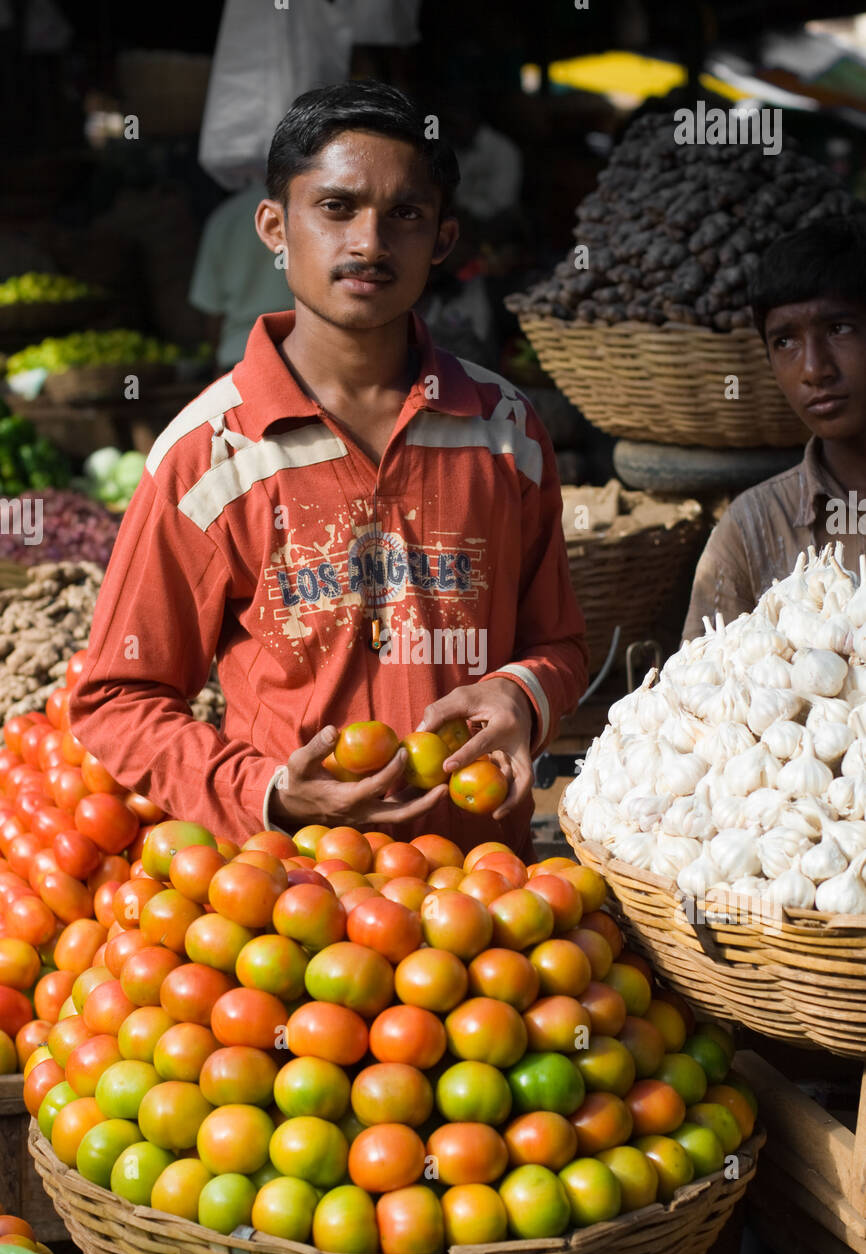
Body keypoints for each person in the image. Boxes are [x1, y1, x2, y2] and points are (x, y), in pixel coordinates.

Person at [68, 80, 588, 857]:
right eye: (337, 208)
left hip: (489, 906)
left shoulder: (503, 433)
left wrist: (522, 693)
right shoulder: (208, 457)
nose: (369, 243)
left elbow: (561, 644)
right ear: (275, 226)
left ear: (442, 238)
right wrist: (269, 791)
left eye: (405, 214)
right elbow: (118, 699)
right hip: (291, 897)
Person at [683, 214, 866, 640]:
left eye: (839, 328)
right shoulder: (750, 529)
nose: (813, 369)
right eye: (785, 341)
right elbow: (696, 694)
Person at [189, 171, 294, 371]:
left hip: (238, 351)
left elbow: (212, 308)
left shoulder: (224, 217)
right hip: (295, 354)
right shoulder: (303, 209)